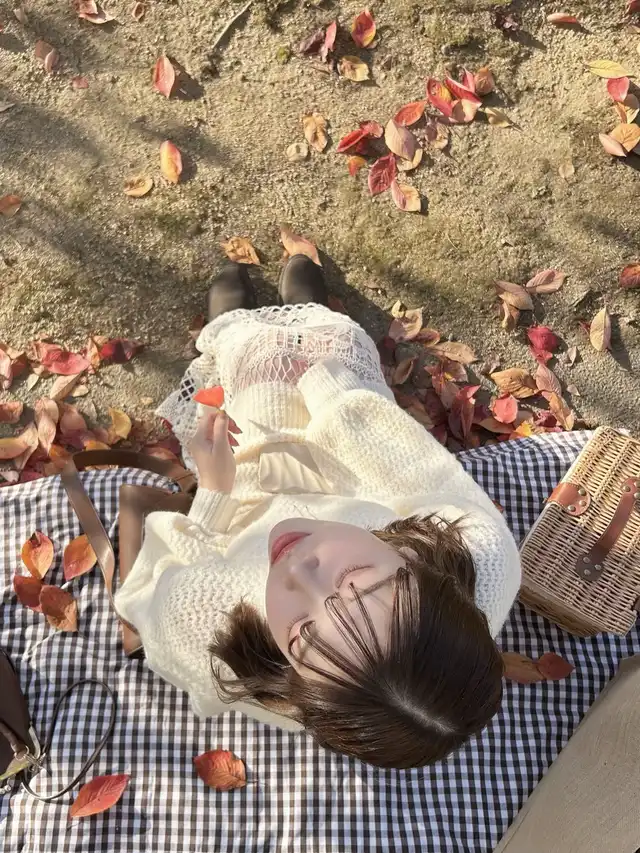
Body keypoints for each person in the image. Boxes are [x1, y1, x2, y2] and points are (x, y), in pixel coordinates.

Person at [115, 255, 521, 769]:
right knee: (329, 350)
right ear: (422, 566)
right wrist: (329, 390)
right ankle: (308, 312)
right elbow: (416, 470)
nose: (296, 571)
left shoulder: (229, 639)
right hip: (353, 464)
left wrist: (214, 494)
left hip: (245, 489)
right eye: (354, 580)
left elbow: (154, 590)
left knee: (251, 376)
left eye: (302, 636)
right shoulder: (478, 551)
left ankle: (231, 327)